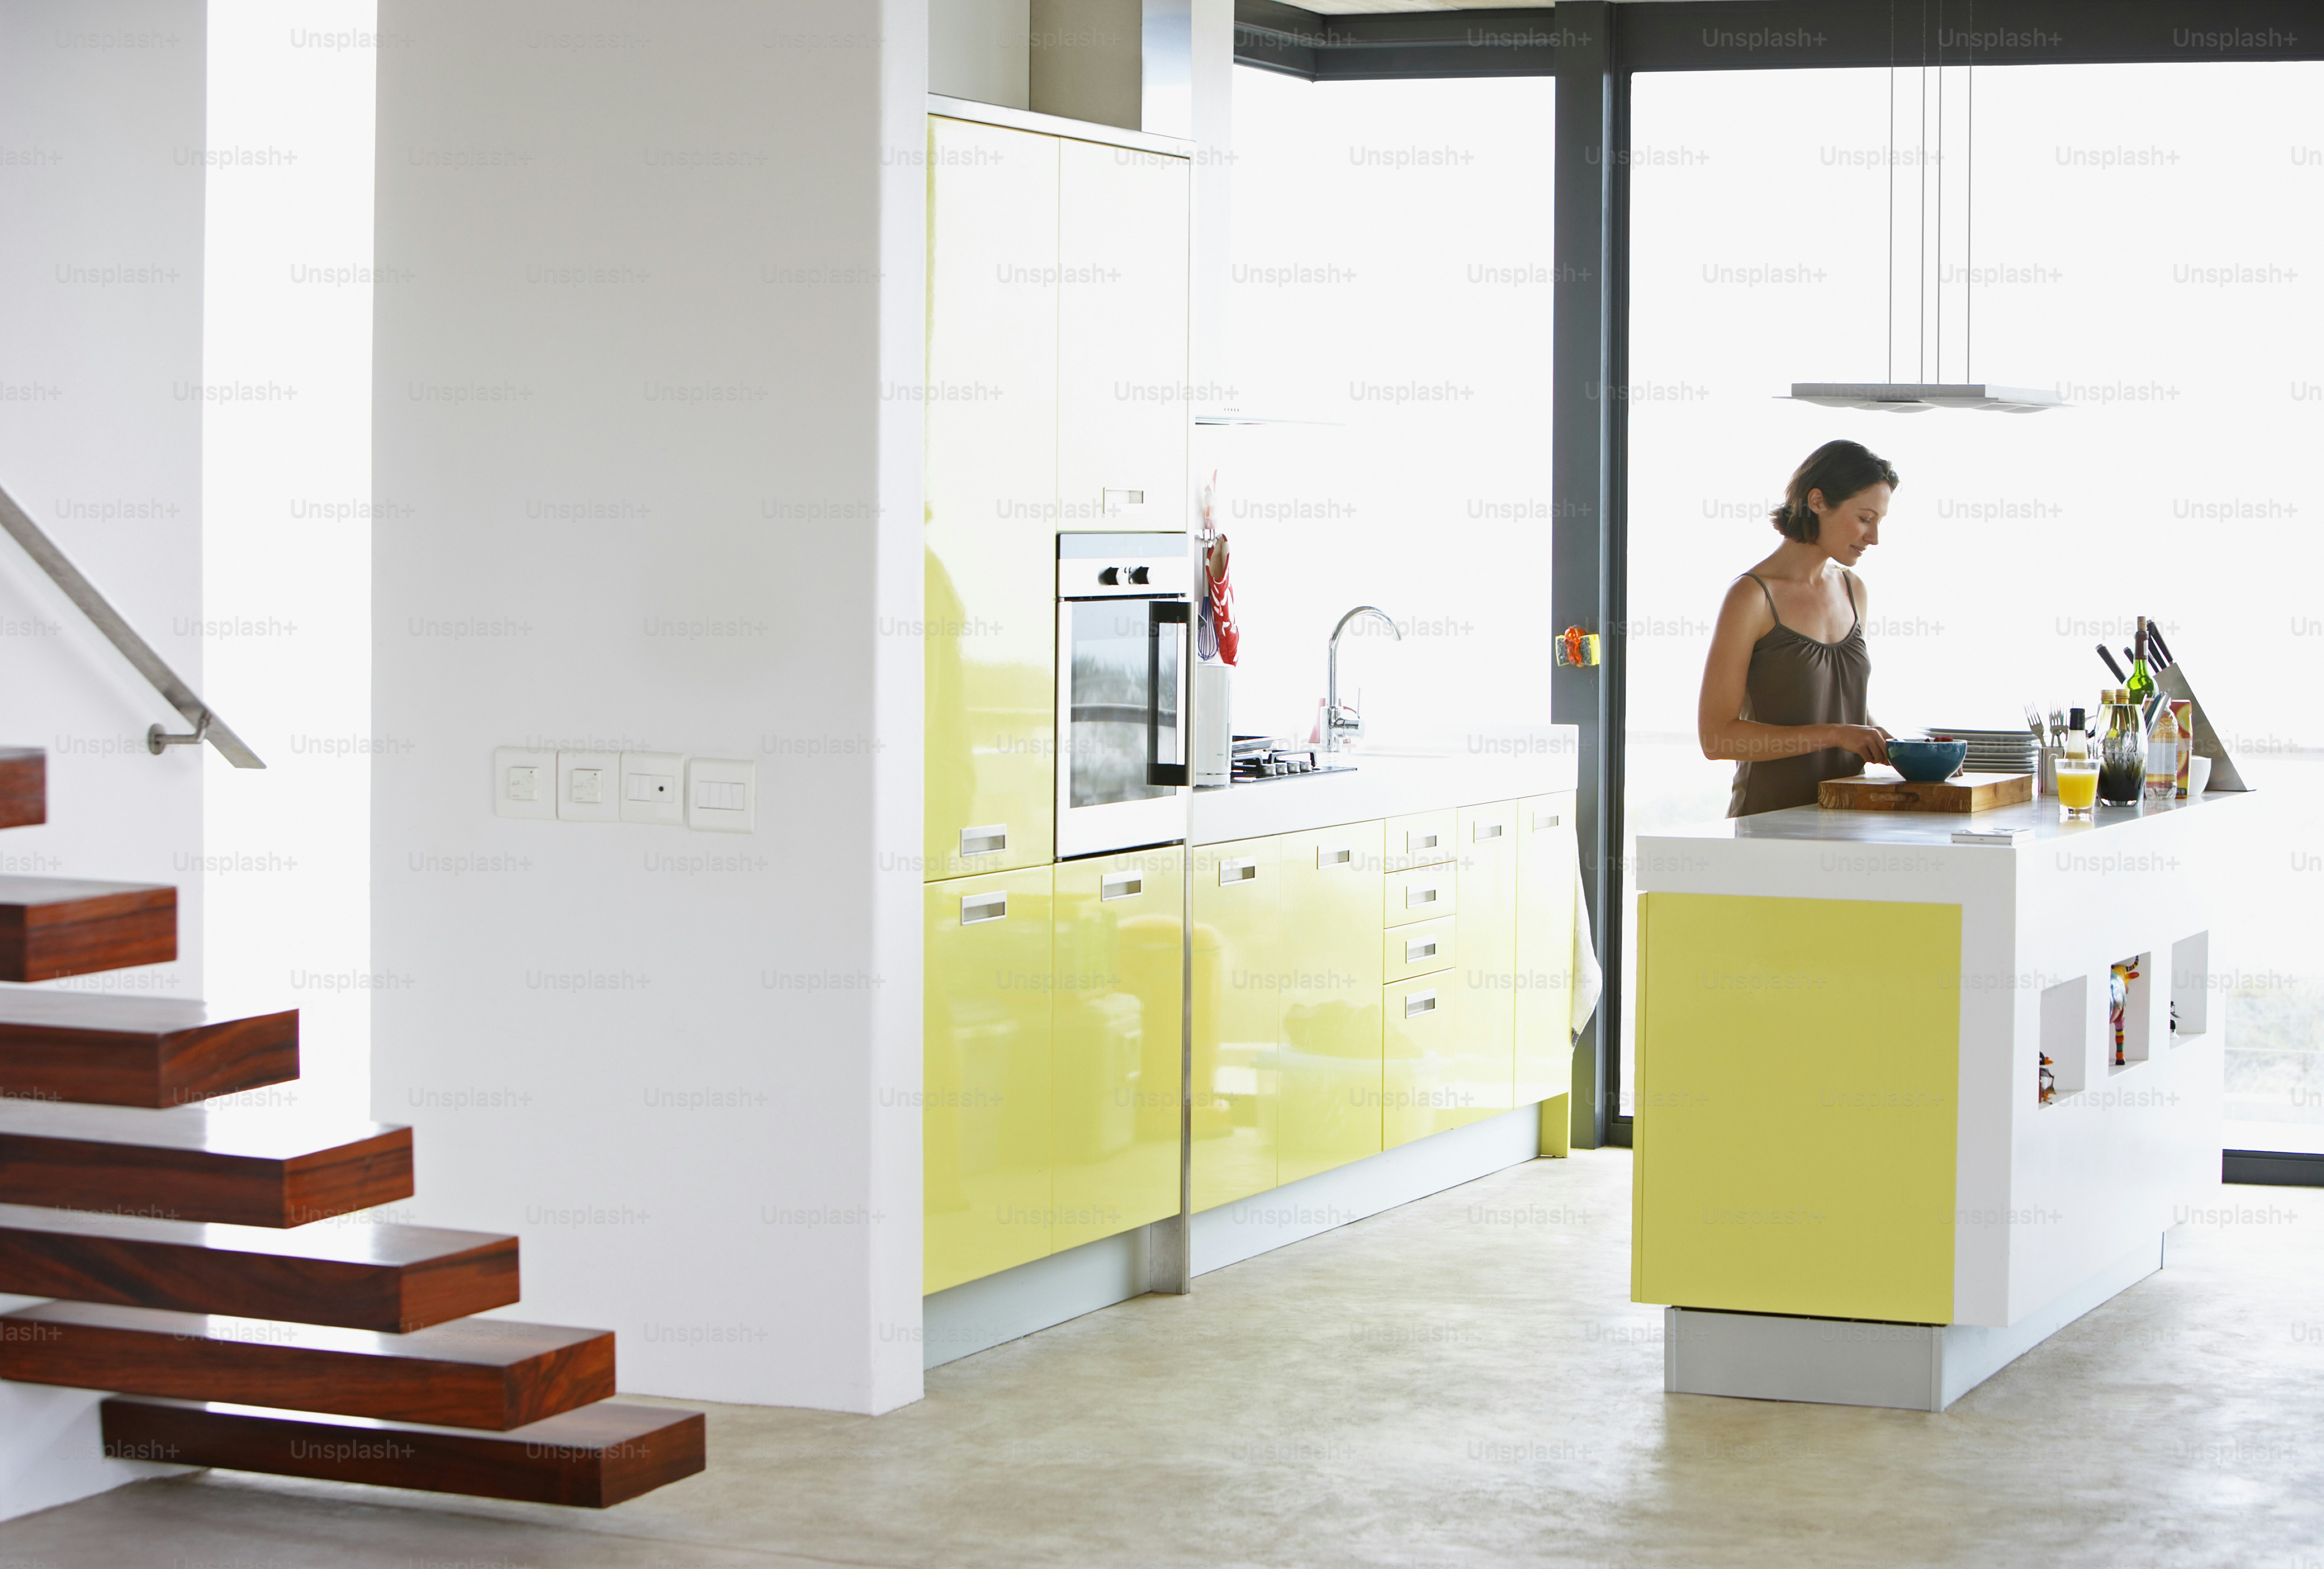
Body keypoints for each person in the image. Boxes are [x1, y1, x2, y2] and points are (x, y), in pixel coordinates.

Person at [1698, 439, 1899, 816]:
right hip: (1766, 828)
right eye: (1865, 519)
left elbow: (1840, 703)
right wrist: (1837, 735)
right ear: (1818, 501)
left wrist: (1887, 742)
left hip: (1847, 825)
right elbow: (1716, 737)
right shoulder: (1751, 597)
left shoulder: (1853, 590)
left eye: (1879, 522)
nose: (1874, 538)